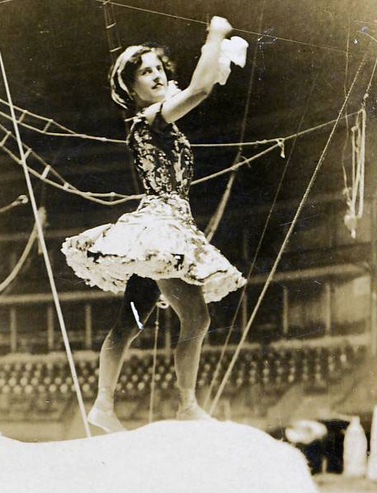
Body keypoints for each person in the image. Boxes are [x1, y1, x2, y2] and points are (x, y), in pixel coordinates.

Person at [62, 17, 247, 432]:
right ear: (132, 88)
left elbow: (201, 84)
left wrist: (218, 59)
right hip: (162, 227)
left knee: (131, 320)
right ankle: (185, 405)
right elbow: (199, 89)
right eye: (146, 71)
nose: (158, 74)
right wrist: (214, 37)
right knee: (196, 319)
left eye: (159, 67)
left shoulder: (159, 119)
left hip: (163, 228)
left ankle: (104, 407)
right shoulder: (151, 119)